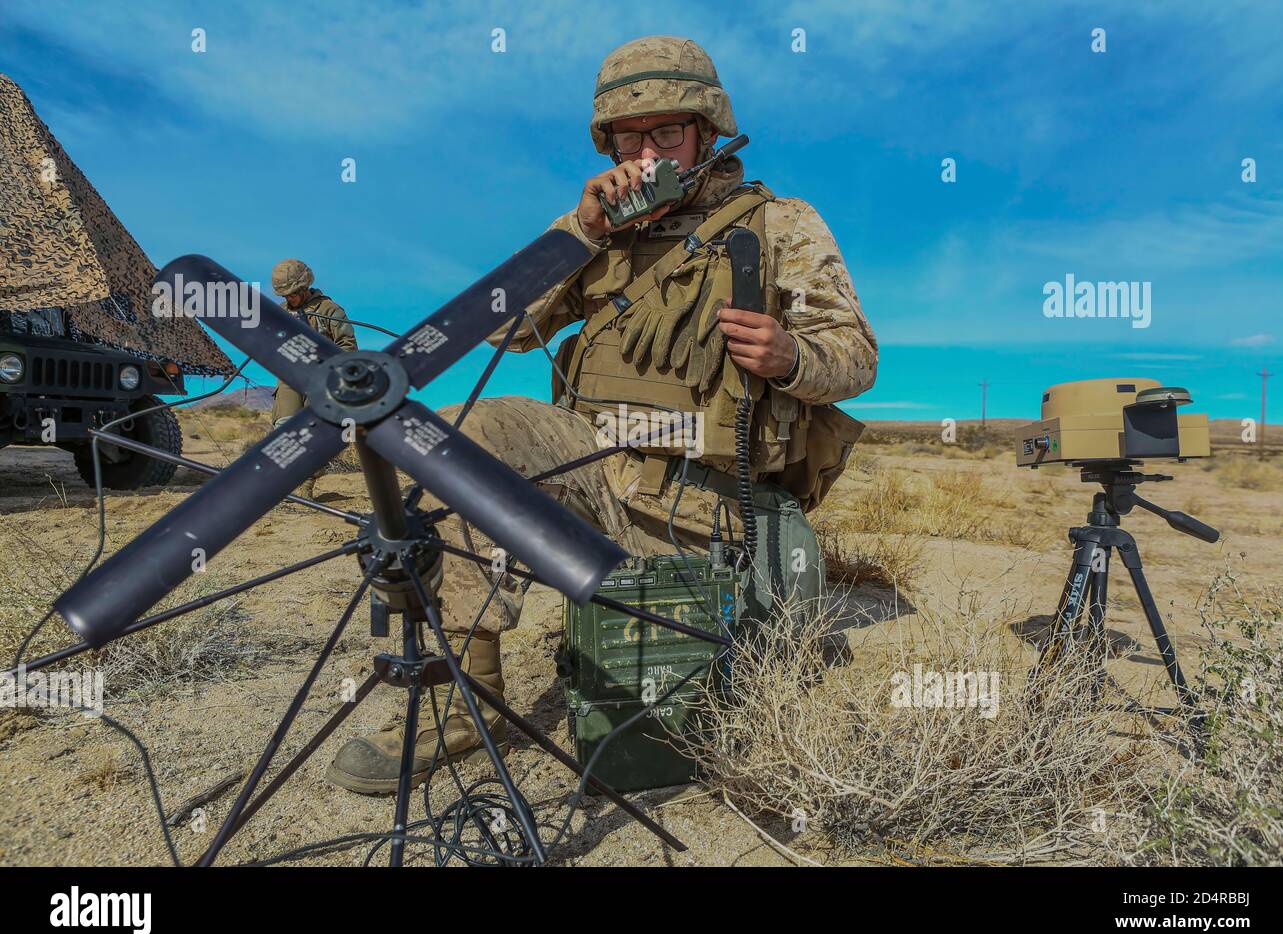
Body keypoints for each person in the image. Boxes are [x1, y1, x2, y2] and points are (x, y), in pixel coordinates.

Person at [327, 35, 878, 794]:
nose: (646, 154)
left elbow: (856, 355)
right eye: (628, 137)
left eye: (666, 133)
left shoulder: (780, 224)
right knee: (457, 437)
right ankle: (464, 706)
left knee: (721, 686)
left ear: (707, 131)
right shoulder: (595, 231)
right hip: (591, 474)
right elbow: (502, 326)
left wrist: (791, 356)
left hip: (705, 504)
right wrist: (581, 233)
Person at [267, 258, 356, 427]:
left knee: (316, 427)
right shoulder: (280, 312)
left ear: (304, 288)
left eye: (293, 294)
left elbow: (348, 346)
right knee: (284, 428)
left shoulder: (329, 309)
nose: (289, 299)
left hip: (323, 379)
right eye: (285, 296)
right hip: (290, 378)